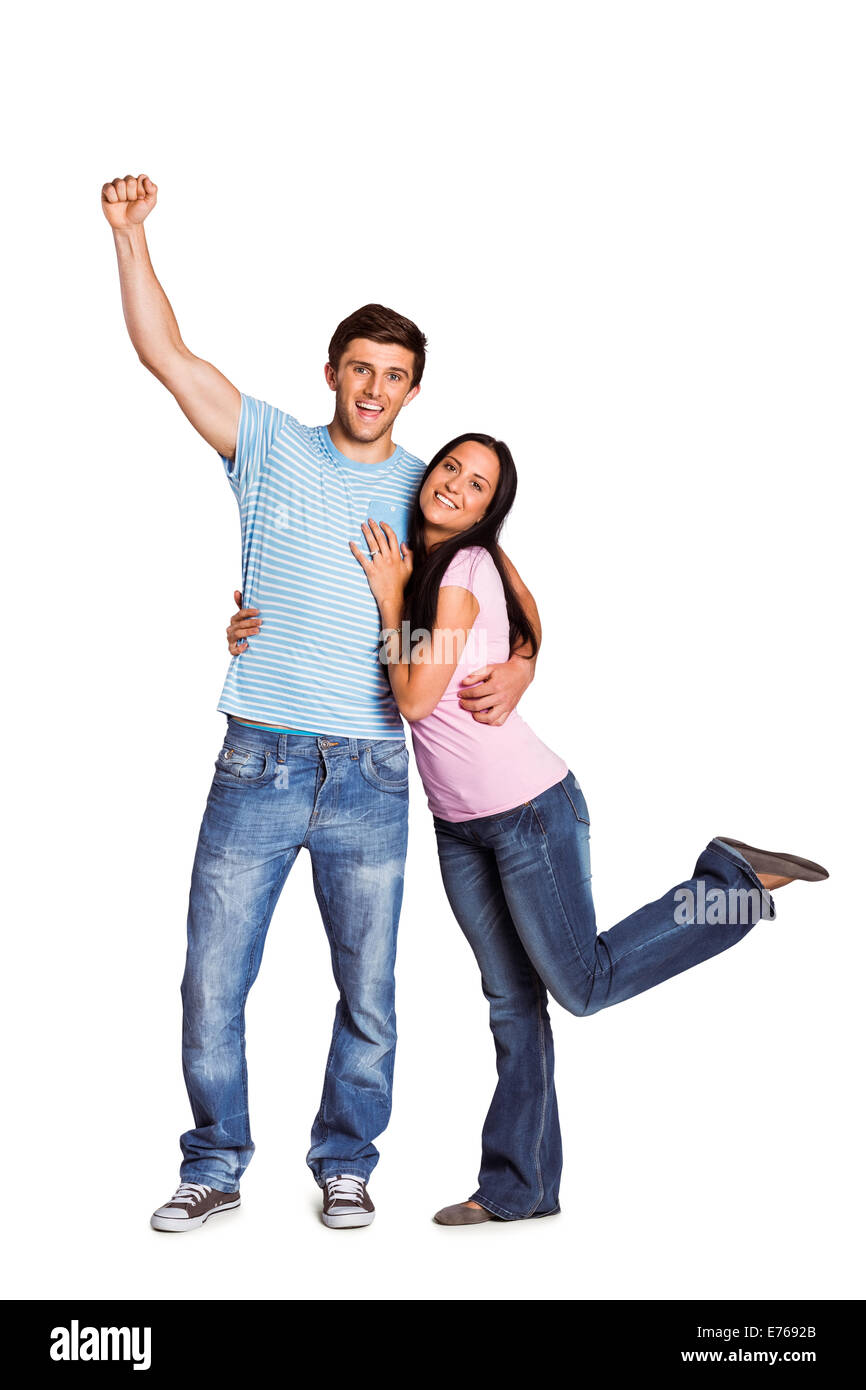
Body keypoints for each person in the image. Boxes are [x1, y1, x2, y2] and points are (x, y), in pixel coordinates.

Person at [230, 431, 829, 1226]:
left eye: (477, 484)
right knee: (512, 1004)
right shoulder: (424, 558)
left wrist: (398, 605)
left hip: (527, 813)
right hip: (459, 826)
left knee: (580, 985)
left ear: (487, 510)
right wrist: (252, 623)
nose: (455, 485)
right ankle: (520, 1188)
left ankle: (731, 885)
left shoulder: (464, 569)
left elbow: (413, 698)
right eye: (450, 466)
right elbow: (529, 616)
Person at [101, 172, 540, 1232]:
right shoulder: (266, 444)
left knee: (370, 995)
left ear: (412, 390)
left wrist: (522, 662)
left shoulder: (427, 489)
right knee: (211, 985)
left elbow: (508, 585)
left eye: (395, 376)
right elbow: (166, 355)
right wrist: (128, 235)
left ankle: (345, 1159)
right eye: (360, 368)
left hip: (370, 769)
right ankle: (213, 1160)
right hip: (257, 756)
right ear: (332, 372)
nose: (374, 388)